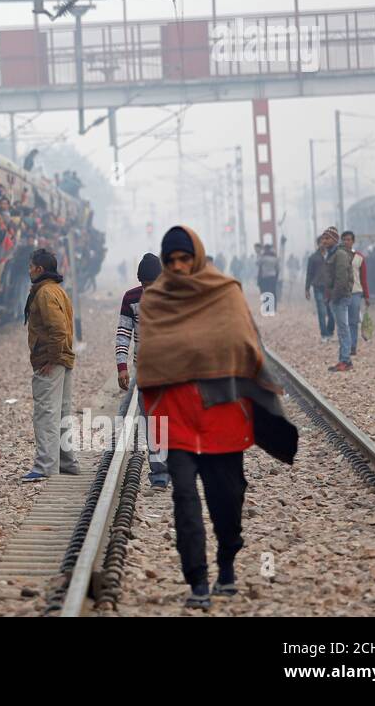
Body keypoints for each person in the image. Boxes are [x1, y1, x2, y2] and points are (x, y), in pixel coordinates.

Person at [136, 225, 296, 609]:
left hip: (224, 415)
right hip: (177, 417)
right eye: (171, 260)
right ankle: (197, 581)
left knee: (227, 499)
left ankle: (226, 565)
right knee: (184, 499)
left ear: (197, 257)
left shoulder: (225, 292)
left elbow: (246, 345)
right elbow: (151, 358)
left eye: (184, 258)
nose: (178, 266)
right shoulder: (155, 300)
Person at [22, 248, 78, 483]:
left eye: (31, 266)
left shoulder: (44, 293)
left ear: (39, 269)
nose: (29, 270)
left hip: (51, 360)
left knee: (46, 413)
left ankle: (45, 466)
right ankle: (66, 462)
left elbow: (58, 329)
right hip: (64, 358)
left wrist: (51, 359)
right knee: (62, 413)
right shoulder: (58, 290)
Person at [116, 252, 168, 490]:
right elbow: (123, 334)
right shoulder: (131, 298)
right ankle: (160, 473)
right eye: (144, 284)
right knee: (153, 420)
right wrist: (122, 366)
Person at [321, 226, 354, 372]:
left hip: (340, 297)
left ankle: (345, 361)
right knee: (341, 329)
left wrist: (334, 296)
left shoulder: (339, 254)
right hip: (335, 296)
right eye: (323, 238)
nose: (324, 241)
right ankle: (343, 359)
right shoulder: (331, 254)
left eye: (327, 238)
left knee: (343, 329)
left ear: (334, 239)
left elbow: (341, 278)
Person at [341, 231, 369, 359]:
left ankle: (352, 346)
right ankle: (346, 345)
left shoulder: (359, 258)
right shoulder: (338, 256)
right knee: (343, 322)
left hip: (356, 292)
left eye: (348, 240)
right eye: (344, 240)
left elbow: (363, 278)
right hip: (341, 293)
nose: (346, 242)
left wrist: (366, 296)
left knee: (353, 321)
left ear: (353, 241)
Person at [304, 236, 335, 342]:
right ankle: (324, 335)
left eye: (325, 242)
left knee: (332, 312)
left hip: (330, 288)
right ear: (318, 244)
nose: (324, 244)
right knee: (322, 312)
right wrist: (307, 289)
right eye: (322, 242)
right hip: (318, 288)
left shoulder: (332, 256)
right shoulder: (313, 258)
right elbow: (309, 274)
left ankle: (330, 332)